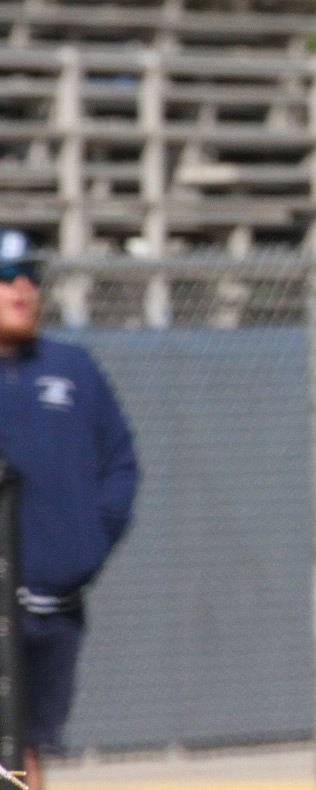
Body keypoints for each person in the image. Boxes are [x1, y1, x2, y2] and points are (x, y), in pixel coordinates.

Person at [0, 230, 140, 790]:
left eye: (32, 276)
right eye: (7, 276)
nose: (24, 289)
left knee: (29, 744)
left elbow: (120, 463)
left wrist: (87, 543)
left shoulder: (73, 369)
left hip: (55, 608)